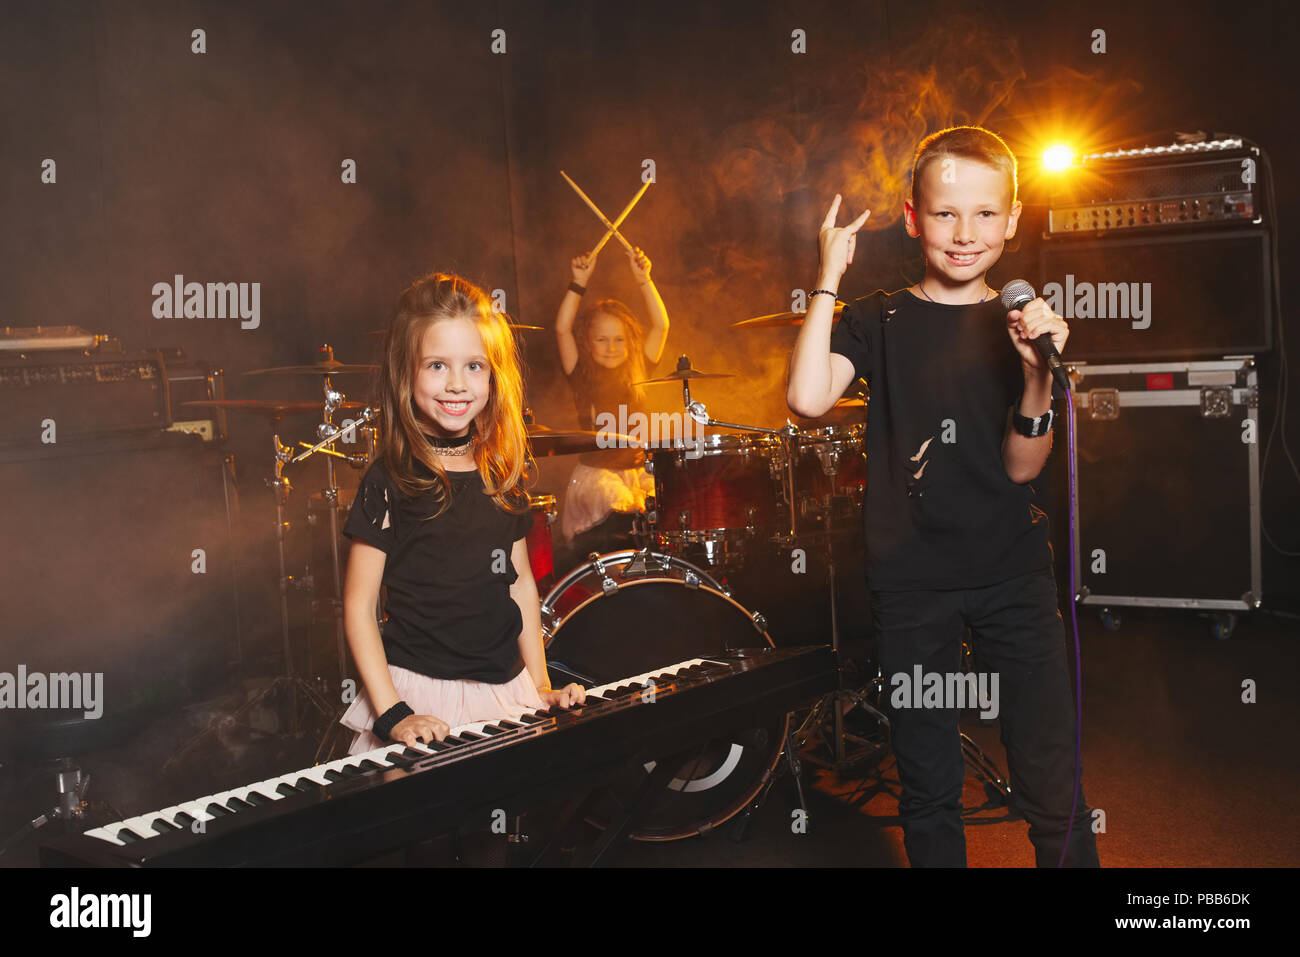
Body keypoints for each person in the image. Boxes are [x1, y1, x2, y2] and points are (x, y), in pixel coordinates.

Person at [786, 126, 1099, 867]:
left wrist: (1036, 376)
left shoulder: (1022, 326)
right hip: (914, 582)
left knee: (1052, 778)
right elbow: (805, 397)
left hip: (1011, 575)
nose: (965, 234)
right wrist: (829, 271)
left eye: (986, 214)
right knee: (928, 784)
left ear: (1013, 219)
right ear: (912, 216)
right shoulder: (880, 319)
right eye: (947, 213)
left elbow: (1023, 468)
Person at [340, 271, 585, 761]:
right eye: (436, 365)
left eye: (474, 366)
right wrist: (393, 714)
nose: (457, 384)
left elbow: (519, 587)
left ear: (495, 377)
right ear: (405, 374)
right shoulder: (388, 481)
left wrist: (540, 685)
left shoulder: (501, 475)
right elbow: (359, 607)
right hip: (418, 694)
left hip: (505, 692)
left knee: (501, 832)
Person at [554, 245, 669, 557]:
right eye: (602, 339)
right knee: (617, 513)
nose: (611, 347)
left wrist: (644, 279)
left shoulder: (639, 369)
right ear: (588, 343)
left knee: (665, 504)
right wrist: (578, 282)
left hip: (637, 472)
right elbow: (562, 327)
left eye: (619, 339)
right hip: (597, 476)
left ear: (630, 343)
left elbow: (661, 325)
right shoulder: (580, 373)